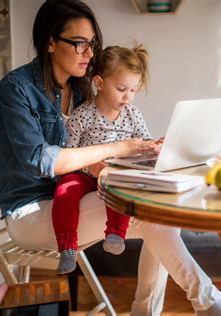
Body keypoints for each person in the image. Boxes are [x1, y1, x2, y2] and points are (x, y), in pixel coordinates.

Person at [0, 0, 221, 314]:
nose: (90, 54)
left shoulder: (80, 89)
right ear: (50, 41)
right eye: (79, 44)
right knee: (148, 212)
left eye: (91, 44)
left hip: (76, 200)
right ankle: (208, 302)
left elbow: (87, 152)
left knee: (159, 213)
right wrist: (119, 149)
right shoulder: (17, 89)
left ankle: (158, 310)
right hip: (32, 212)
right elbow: (43, 160)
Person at [53, 42, 159, 274]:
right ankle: (68, 247)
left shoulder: (132, 114)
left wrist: (155, 146)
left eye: (133, 90)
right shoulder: (83, 114)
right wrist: (89, 167)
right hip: (83, 174)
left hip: (114, 174)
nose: (128, 97)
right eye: (122, 89)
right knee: (64, 192)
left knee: (121, 188)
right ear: (99, 83)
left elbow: (144, 143)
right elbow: (68, 153)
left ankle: (115, 233)